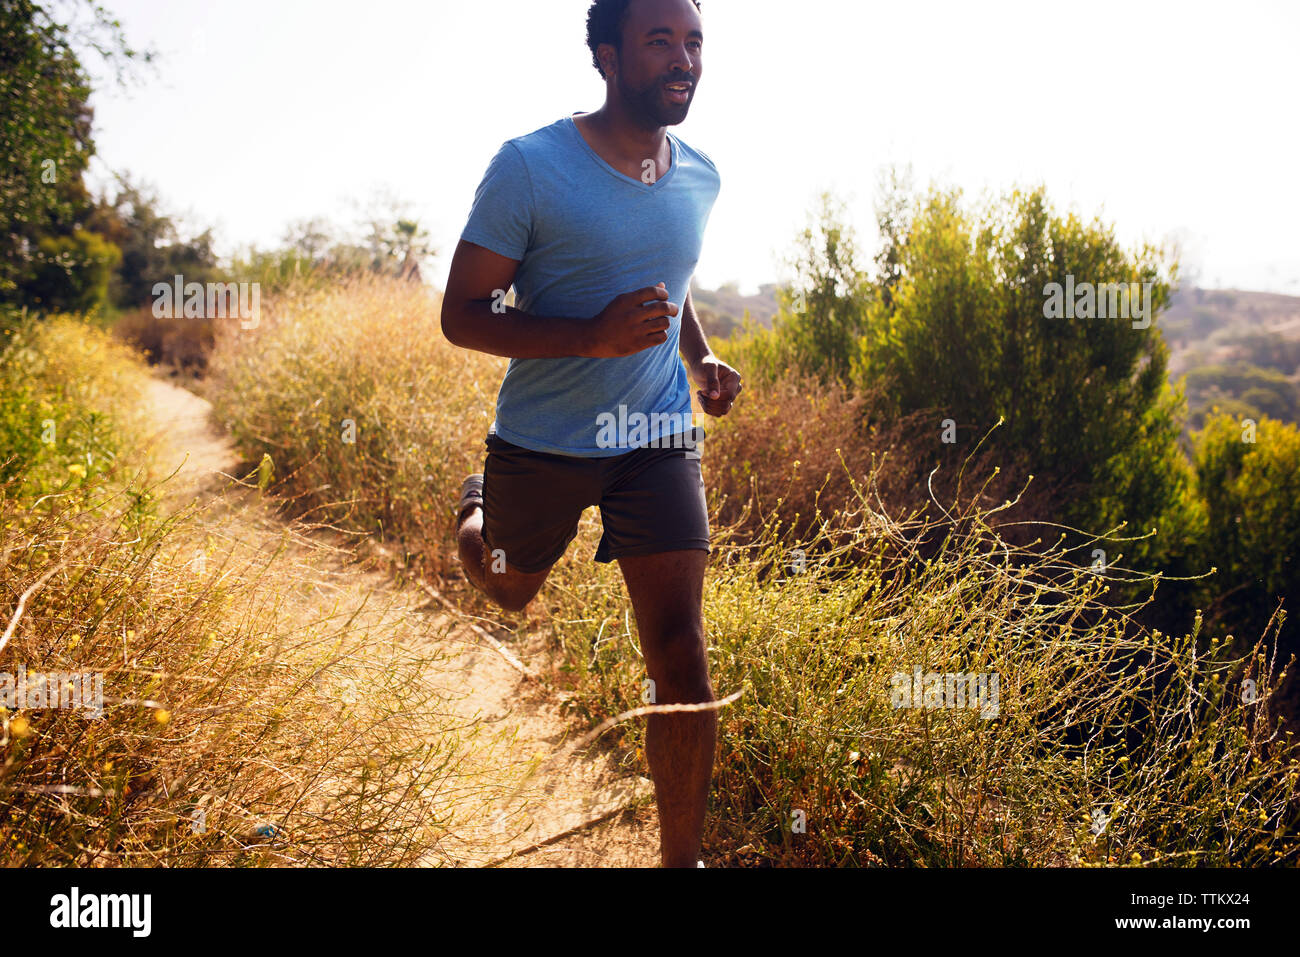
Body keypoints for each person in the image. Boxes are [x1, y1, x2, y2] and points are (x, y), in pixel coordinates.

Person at [441, 0, 741, 868]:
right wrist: (589, 335)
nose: (684, 60)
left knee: (680, 654)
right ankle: (477, 512)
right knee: (507, 588)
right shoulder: (530, 167)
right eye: (660, 42)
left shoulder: (702, 175)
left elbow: (668, 280)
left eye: (694, 43)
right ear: (608, 57)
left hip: (655, 437)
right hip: (543, 441)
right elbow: (462, 314)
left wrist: (701, 355)